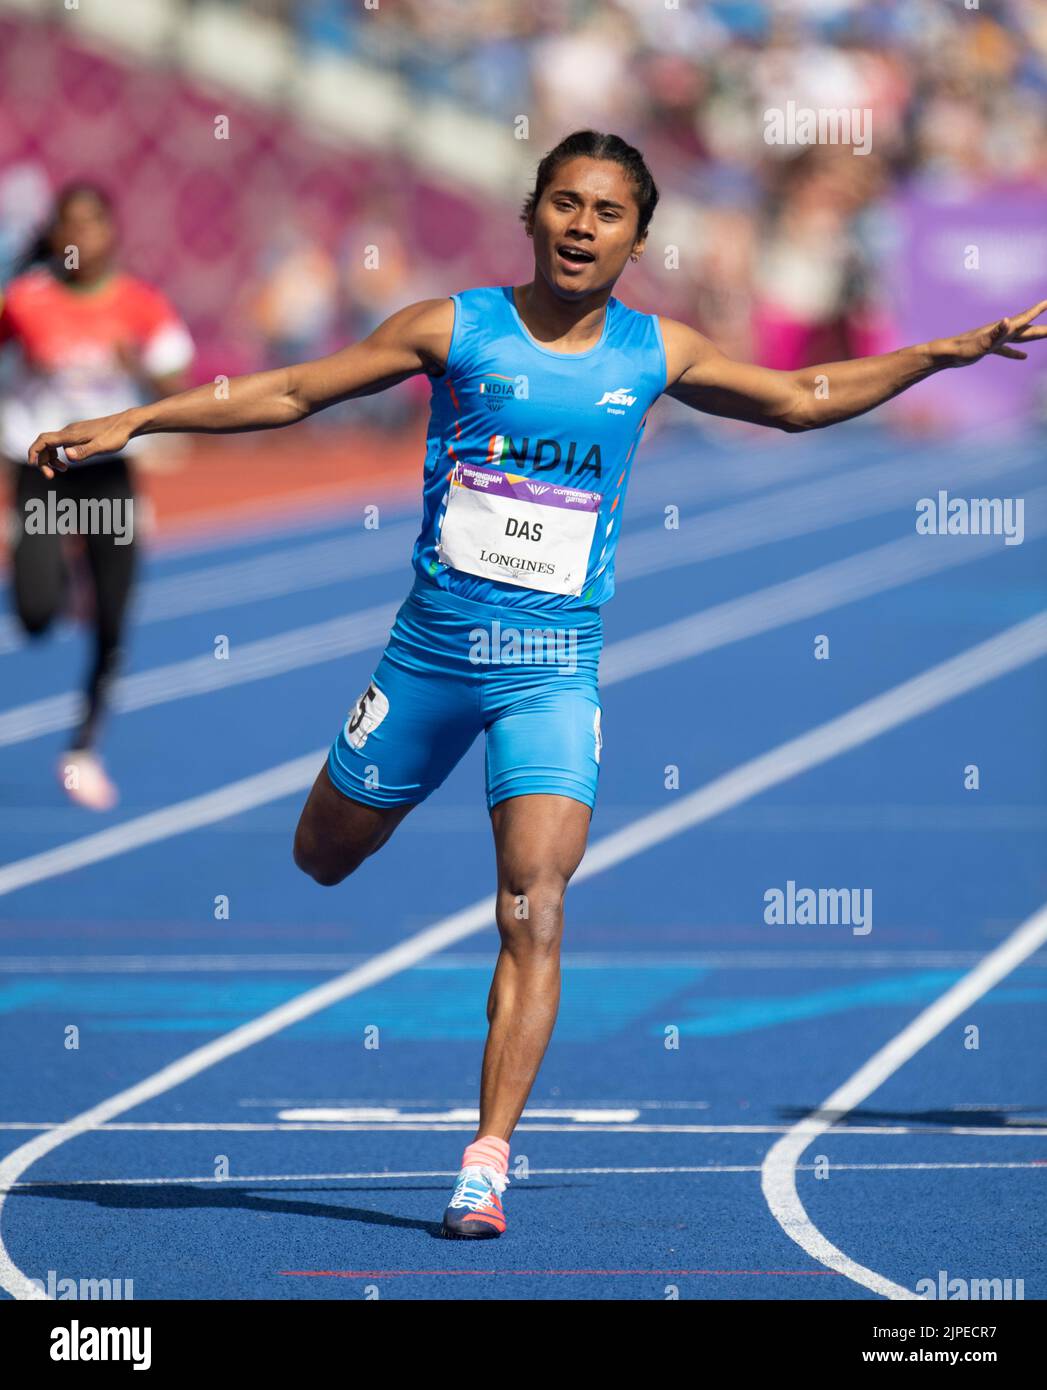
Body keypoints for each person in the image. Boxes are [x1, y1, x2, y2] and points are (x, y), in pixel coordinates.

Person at [26, 131, 1046, 1237]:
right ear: (532, 213)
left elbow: (799, 398)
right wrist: (137, 418)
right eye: (564, 203)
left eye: (607, 213)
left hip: (551, 673)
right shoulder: (453, 327)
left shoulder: (657, 351)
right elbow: (289, 392)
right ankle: (369, 806)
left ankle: (486, 1158)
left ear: (638, 239)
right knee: (323, 854)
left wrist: (936, 357)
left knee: (535, 906)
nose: (581, 226)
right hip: (429, 658)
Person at [2, 182, 194, 809]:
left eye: (93, 223)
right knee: (34, 614)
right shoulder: (24, 301)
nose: (81, 236)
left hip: (109, 472)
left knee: (113, 616)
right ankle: (53, 566)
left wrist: (135, 365)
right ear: (54, 235)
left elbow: (177, 380)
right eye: (69, 224)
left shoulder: (140, 305)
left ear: (112, 233)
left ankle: (83, 746)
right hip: (43, 468)